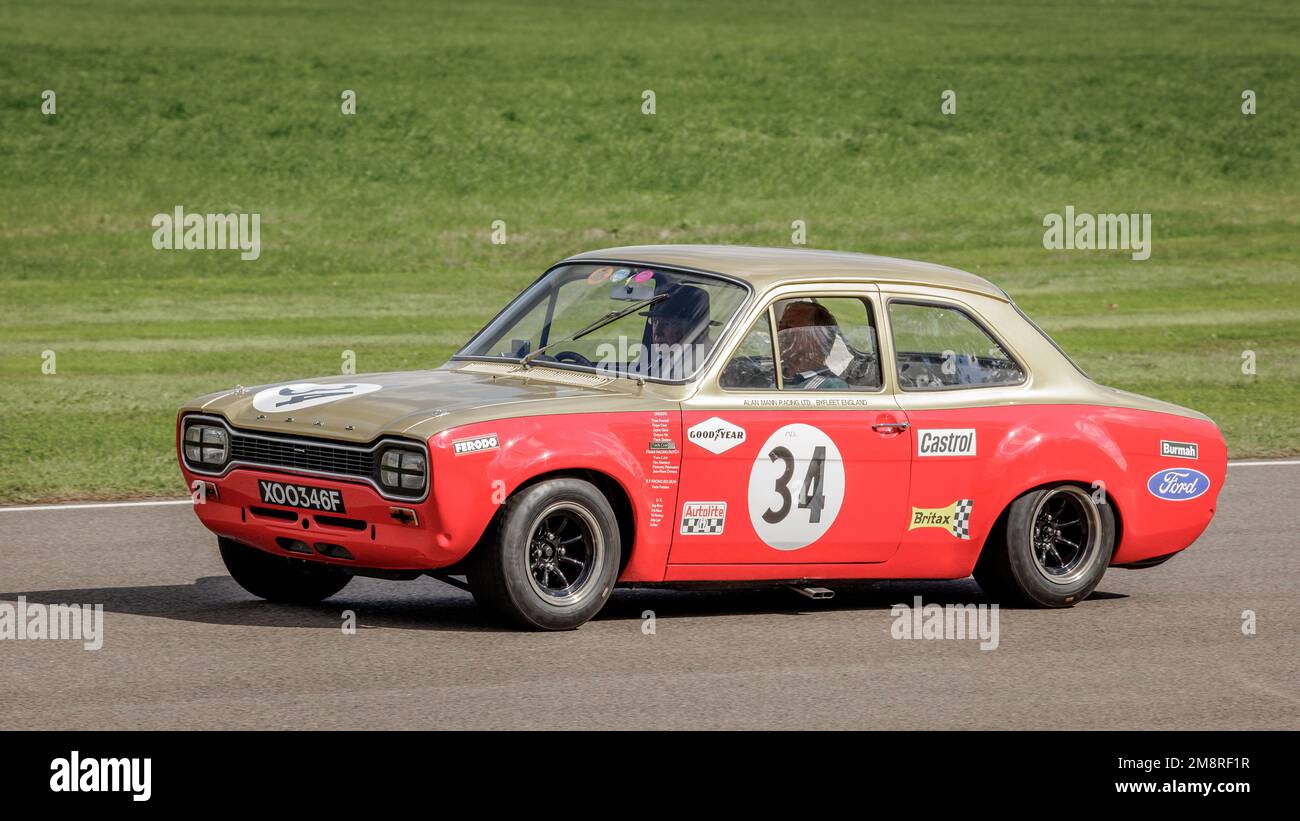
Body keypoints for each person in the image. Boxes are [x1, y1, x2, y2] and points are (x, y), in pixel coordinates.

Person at [776, 301, 850, 390]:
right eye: (780, 326)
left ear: (815, 339)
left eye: (789, 328)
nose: (779, 332)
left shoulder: (831, 386)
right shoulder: (772, 369)